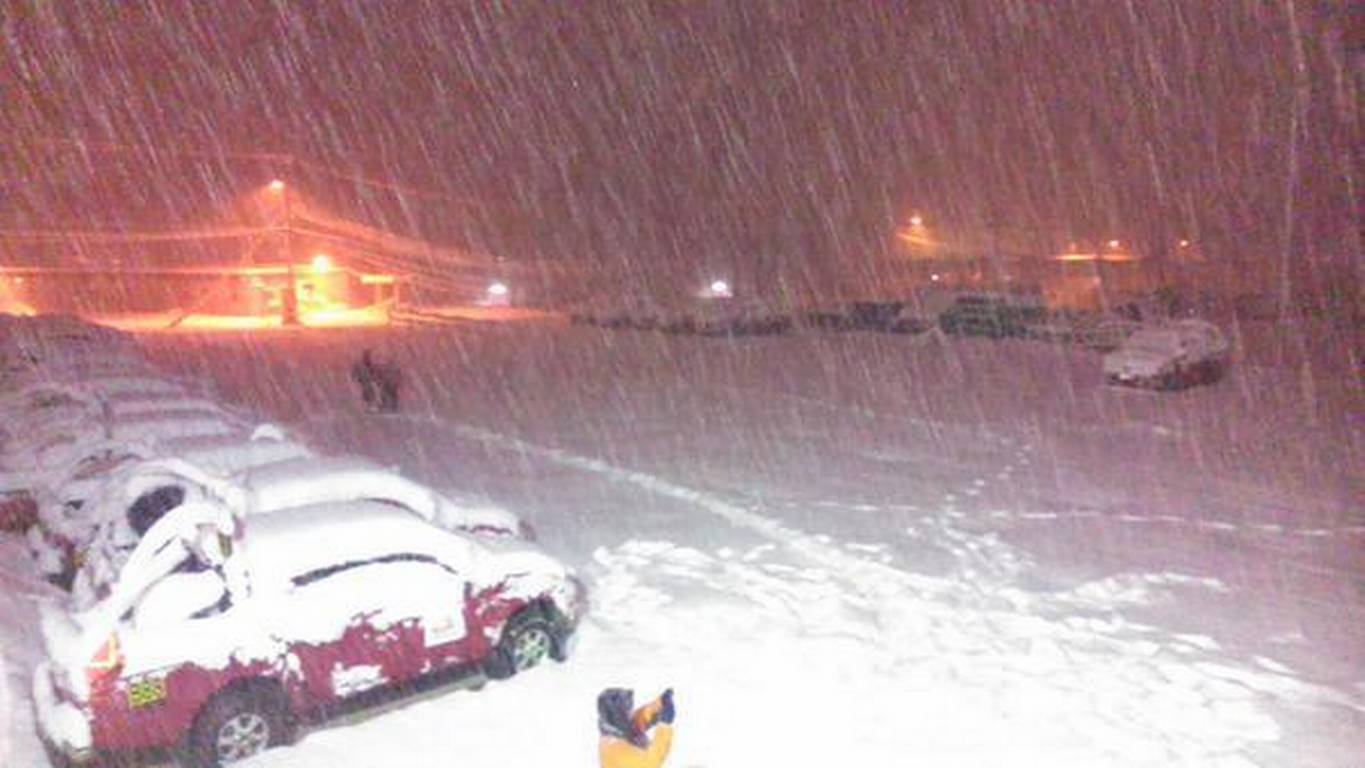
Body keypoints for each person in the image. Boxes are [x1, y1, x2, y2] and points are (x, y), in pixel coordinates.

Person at [598, 687, 674, 768]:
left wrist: (659, 704)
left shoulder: (617, 729)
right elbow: (651, 761)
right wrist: (664, 725)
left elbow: (638, 721)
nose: (630, 714)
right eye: (627, 710)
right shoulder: (616, 750)